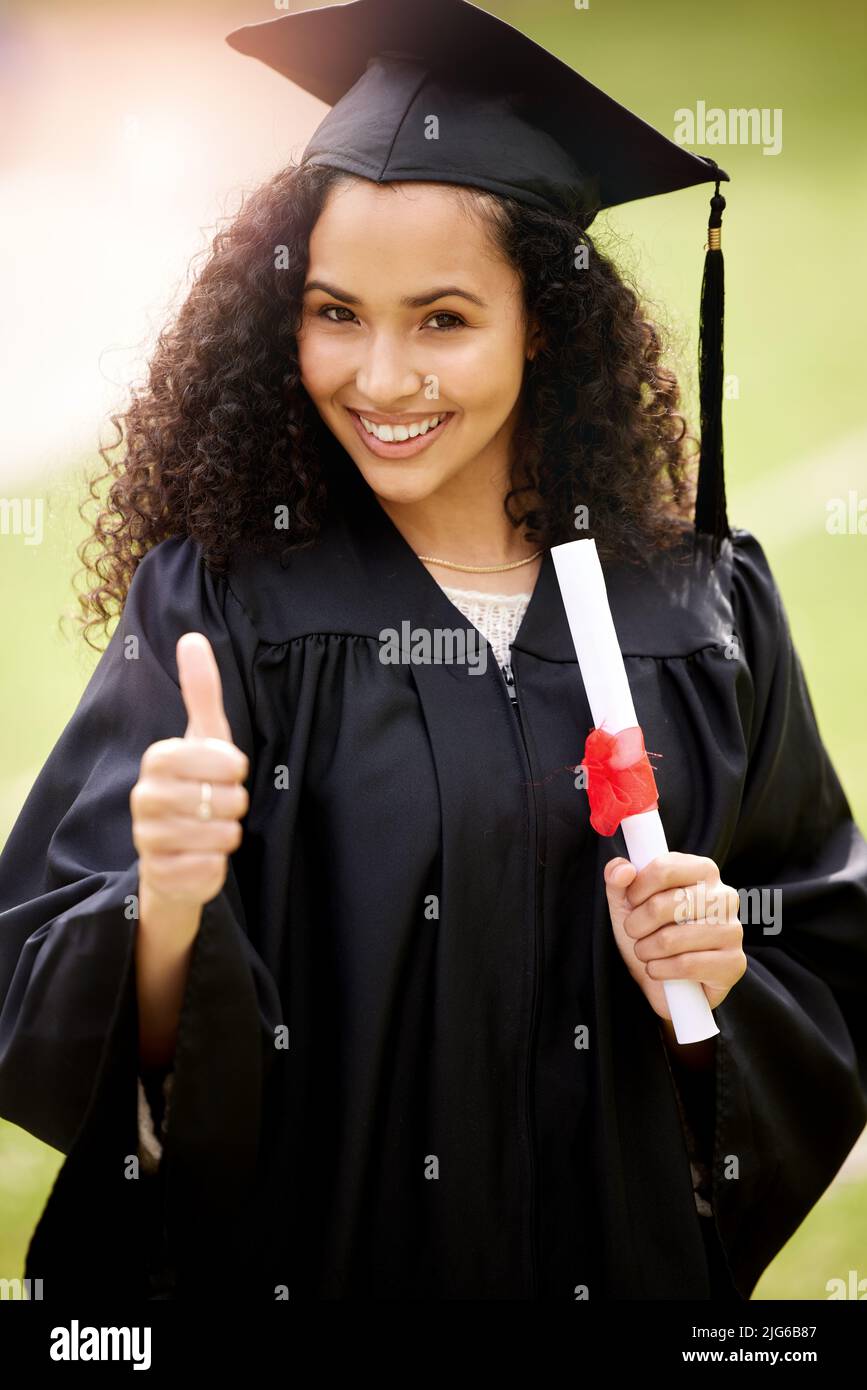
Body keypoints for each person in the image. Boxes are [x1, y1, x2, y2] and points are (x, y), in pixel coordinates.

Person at [1, 0, 865, 1302]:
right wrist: (166, 907)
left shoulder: (703, 615)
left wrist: (716, 979)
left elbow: (820, 982)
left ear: (546, 327)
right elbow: (82, 1021)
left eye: (444, 319)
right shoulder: (226, 612)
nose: (381, 377)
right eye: (336, 311)